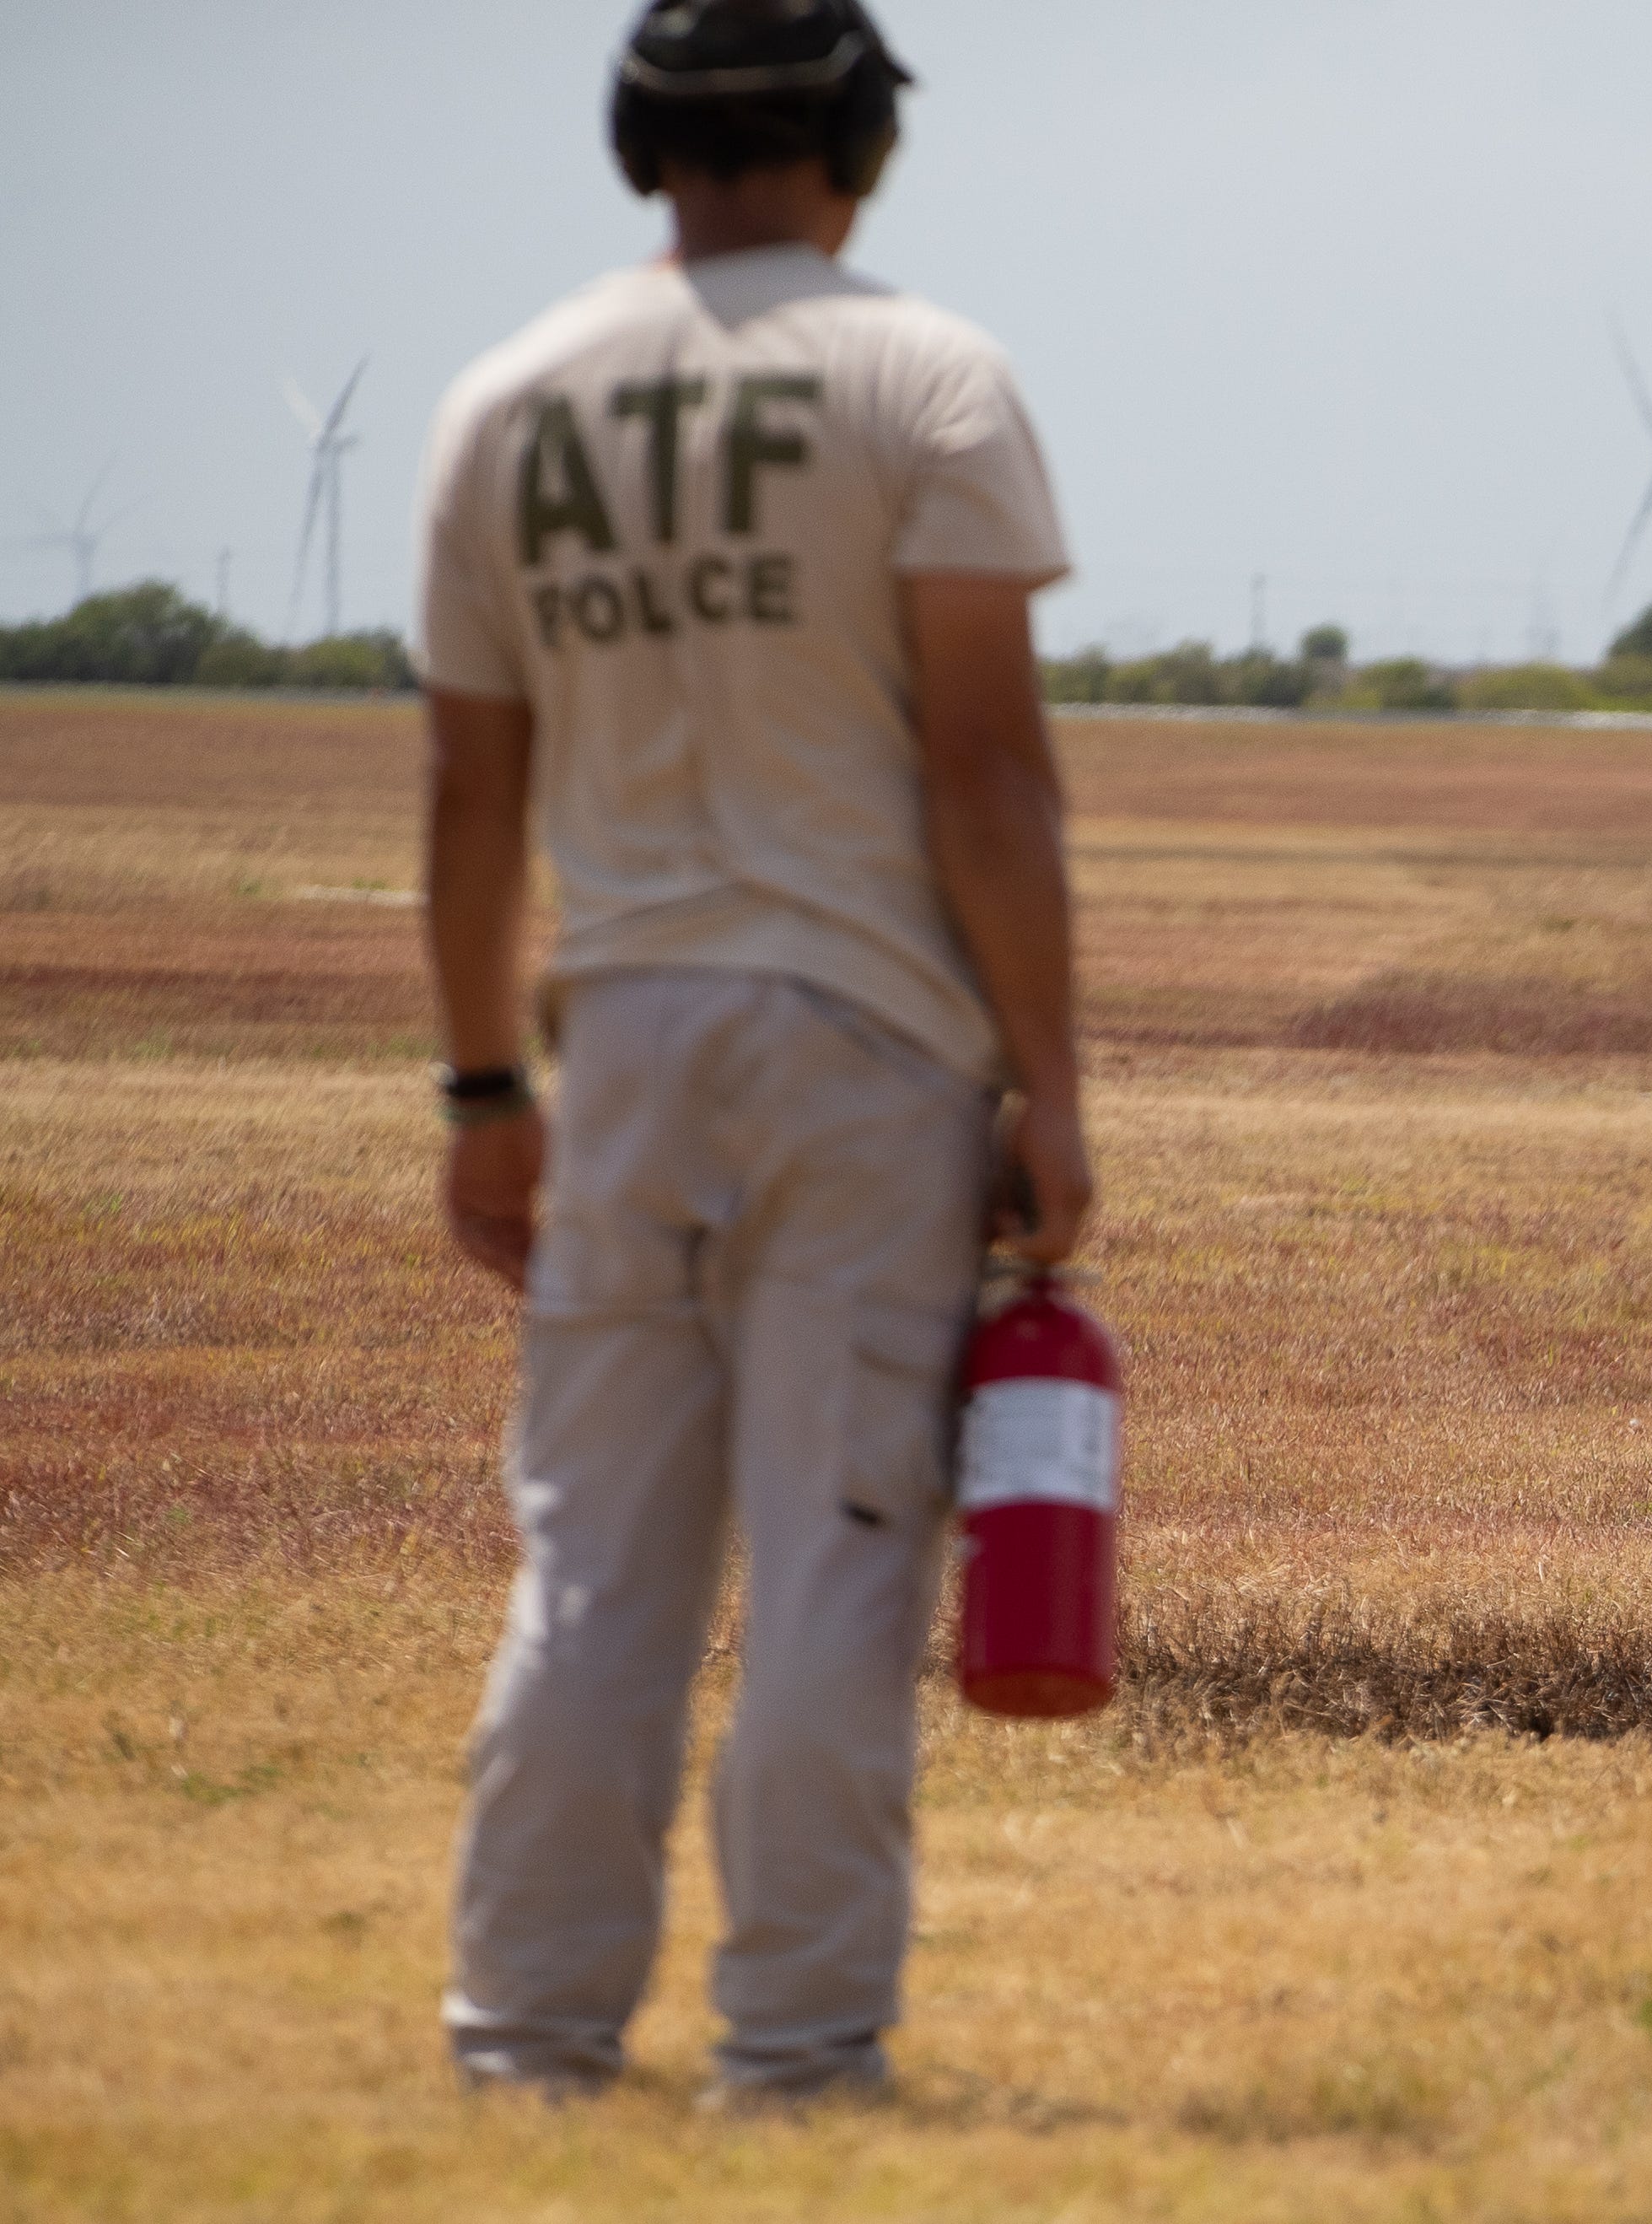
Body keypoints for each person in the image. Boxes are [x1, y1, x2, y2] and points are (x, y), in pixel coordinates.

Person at [413, 0, 1090, 2106]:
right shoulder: (926, 378)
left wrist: (479, 1090)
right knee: (837, 1557)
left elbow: (467, 795)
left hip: (612, 1033)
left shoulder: (503, 403)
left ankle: (527, 2039)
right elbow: (985, 772)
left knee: (597, 1562)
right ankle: (798, 2048)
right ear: (867, 142)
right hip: (866, 1040)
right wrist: (1049, 1084)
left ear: (640, 145)